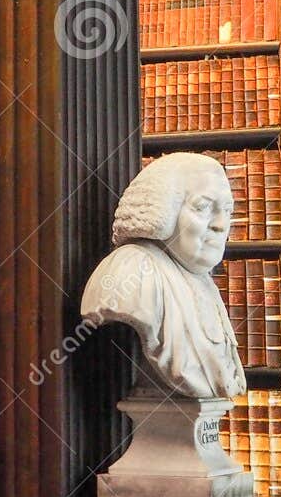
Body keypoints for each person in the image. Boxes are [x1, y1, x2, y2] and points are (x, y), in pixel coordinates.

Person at [80, 152, 246, 401]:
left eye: (227, 210)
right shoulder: (133, 269)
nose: (221, 224)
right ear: (164, 211)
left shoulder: (201, 280)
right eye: (203, 207)